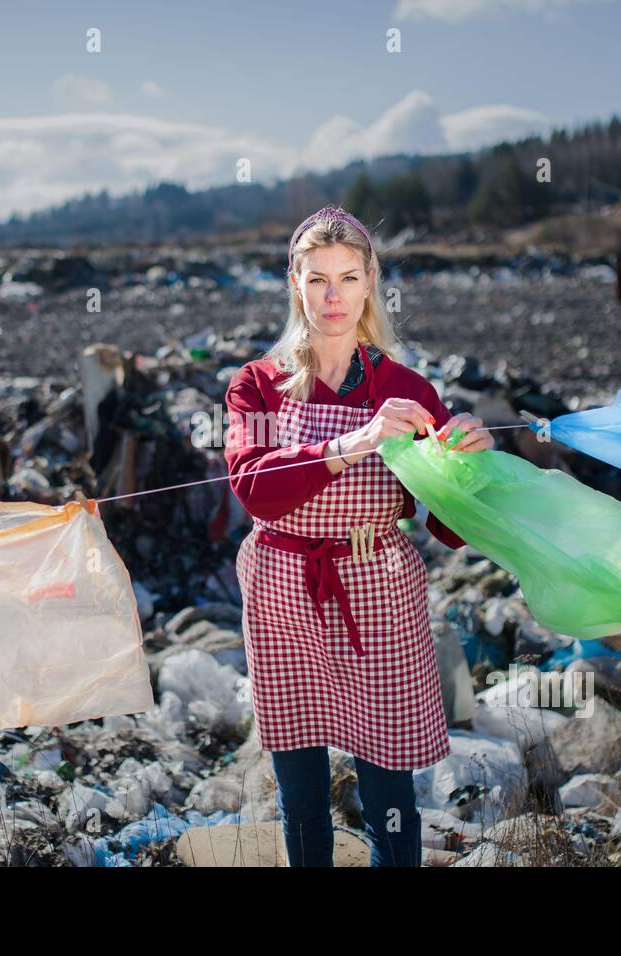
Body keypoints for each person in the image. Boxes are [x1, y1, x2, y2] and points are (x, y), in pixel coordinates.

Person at [224, 204, 494, 867]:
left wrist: (470, 469)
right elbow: (254, 485)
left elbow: (447, 528)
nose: (333, 296)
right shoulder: (256, 386)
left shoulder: (406, 389)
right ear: (295, 281)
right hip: (283, 590)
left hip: (378, 590)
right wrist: (356, 440)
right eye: (318, 279)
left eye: (348, 277)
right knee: (302, 787)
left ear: (371, 281)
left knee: (386, 782)